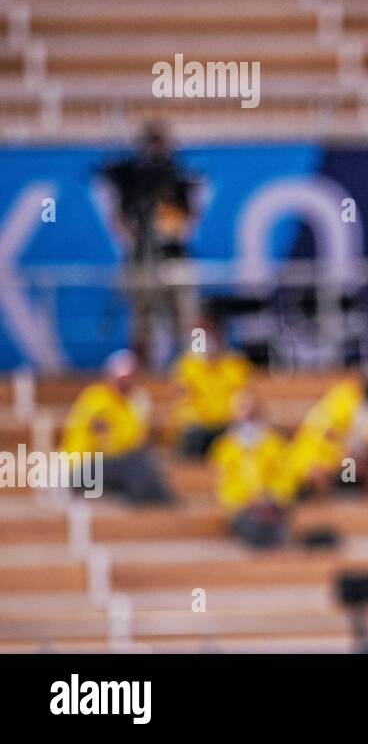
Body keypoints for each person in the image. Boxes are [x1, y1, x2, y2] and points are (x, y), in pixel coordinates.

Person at [100, 121, 200, 369]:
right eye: (150, 144)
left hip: (174, 257)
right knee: (142, 318)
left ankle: (186, 366)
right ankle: (143, 367)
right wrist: (133, 237)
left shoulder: (177, 176)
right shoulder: (132, 178)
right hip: (141, 258)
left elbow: (189, 217)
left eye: (159, 144)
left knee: (183, 314)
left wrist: (171, 228)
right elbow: (119, 217)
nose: (155, 151)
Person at [59, 350, 174, 504]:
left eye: (130, 378)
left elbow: (134, 441)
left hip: (105, 465)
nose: (127, 383)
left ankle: (157, 499)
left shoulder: (128, 403)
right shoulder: (97, 399)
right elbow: (115, 445)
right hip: (83, 467)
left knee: (141, 464)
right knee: (135, 464)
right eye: (123, 379)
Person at [285, 359, 368, 497]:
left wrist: (365, 455)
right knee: (320, 475)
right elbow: (326, 432)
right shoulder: (343, 398)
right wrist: (346, 452)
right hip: (324, 455)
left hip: (353, 460)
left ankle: (361, 502)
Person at [209, 393, 294, 548]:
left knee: (274, 521)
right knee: (254, 527)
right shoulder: (225, 446)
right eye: (243, 408)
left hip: (271, 503)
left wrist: (271, 496)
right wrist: (248, 500)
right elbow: (225, 485)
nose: (248, 413)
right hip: (242, 506)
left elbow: (285, 476)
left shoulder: (275, 443)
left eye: (252, 408)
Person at [171, 313, 252, 458]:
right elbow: (183, 399)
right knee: (192, 436)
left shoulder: (235, 364)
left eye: (209, 335)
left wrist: (234, 417)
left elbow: (243, 396)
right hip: (198, 425)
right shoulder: (188, 365)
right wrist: (197, 419)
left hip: (228, 424)